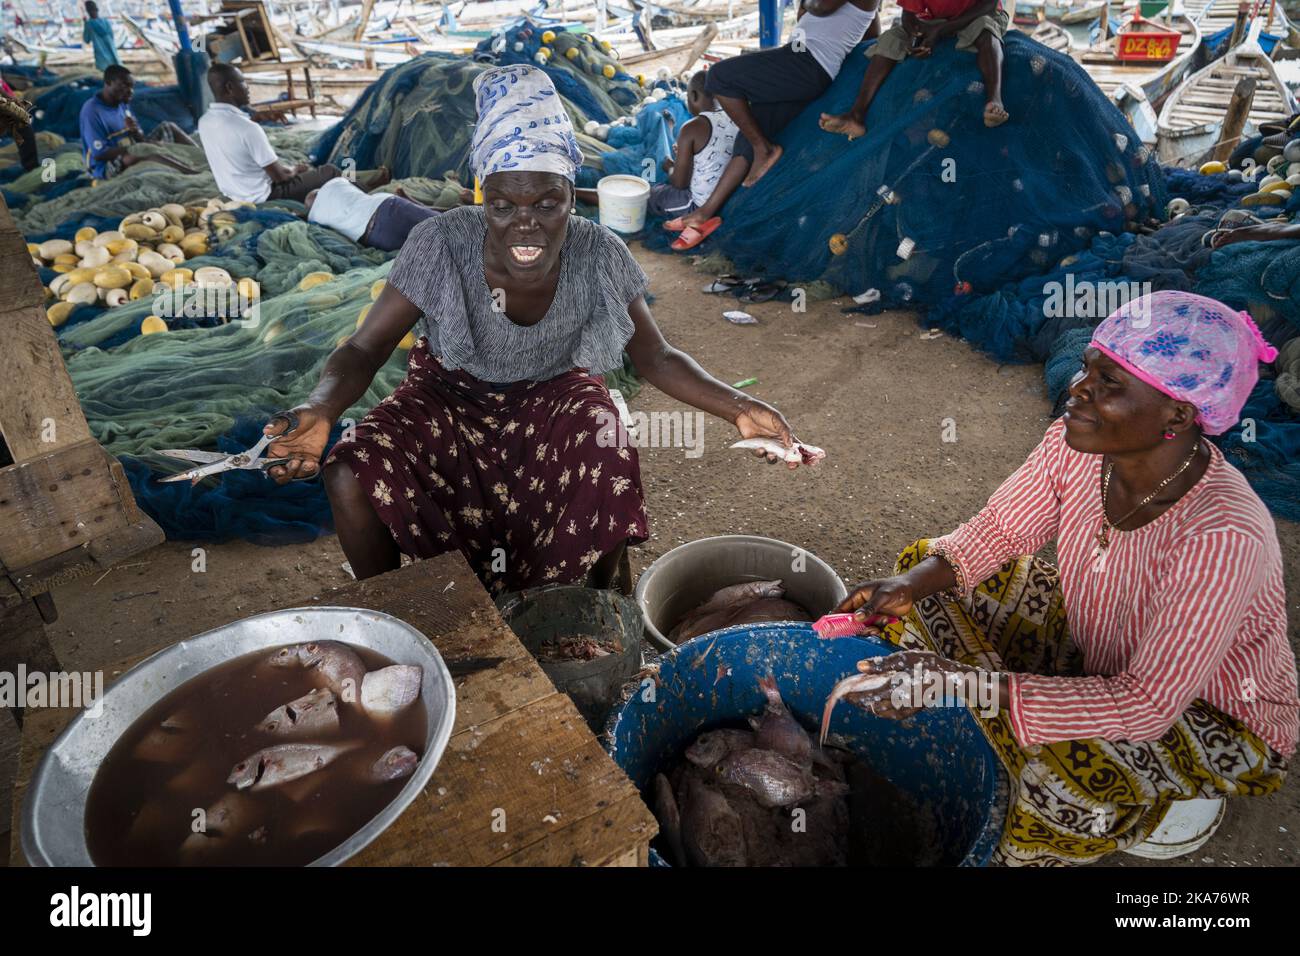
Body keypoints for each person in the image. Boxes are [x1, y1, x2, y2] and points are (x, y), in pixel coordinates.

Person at [261, 65, 810, 594]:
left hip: (555, 396)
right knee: (349, 473)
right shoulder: (441, 244)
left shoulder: (597, 252)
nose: (525, 224)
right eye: (503, 205)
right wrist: (323, 407)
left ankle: (592, 608)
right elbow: (363, 347)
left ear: (575, 198)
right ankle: (403, 615)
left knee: (607, 448)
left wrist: (740, 408)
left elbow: (657, 358)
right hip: (447, 395)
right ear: (482, 198)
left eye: (547, 203)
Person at [827, 291, 1297, 865]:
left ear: (1178, 414)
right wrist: (907, 587)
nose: (1078, 389)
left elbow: (1147, 703)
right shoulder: (1075, 448)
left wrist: (957, 683)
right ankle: (1015, 713)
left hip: (1205, 710)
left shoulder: (1223, 535)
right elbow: (998, 530)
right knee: (923, 578)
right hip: (1095, 640)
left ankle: (1164, 797)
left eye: (1110, 382)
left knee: (1054, 791)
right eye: (1088, 369)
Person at [693, 0, 880, 209]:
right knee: (750, 132)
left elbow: (819, 7)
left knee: (720, 77)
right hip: (799, 60)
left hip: (809, 64)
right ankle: (706, 212)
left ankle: (763, 149)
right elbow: (868, 32)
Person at [576, 71, 739, 249]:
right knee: (654, 187)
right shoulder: (736, 119)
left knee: (639, 197)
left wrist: (669, 165)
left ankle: (575, 192)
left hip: (693, 204)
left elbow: (679, 183)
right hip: (729, 198)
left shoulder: (692, 128)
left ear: (692, 95)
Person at [199, 63, 389, 204]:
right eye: (243, 82)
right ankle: (375, 200)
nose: (247, 87)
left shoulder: (205, 121)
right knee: (328, 172)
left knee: (325, 174)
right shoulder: (247, 129)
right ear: (230, 88)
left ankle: (372, 179)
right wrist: (295, 170)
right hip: (265, 196)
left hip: (234, 193)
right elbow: (280, 177)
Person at [820, 0, 1009, 139]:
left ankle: (995, 101)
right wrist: (915, 36)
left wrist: (941, 31)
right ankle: (856, 115)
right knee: (891, 39)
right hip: (935, 22)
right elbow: (908, 15)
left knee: (987, 32)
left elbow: (989, 5)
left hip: (978, 17)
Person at [78, 65, 198, 181]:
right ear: (108, 83)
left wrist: (136, 132)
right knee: (144, 153)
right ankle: (193, 173)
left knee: (168, 127)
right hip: (104, 166)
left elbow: (140, 137)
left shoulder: (122, 104)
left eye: (131, 87)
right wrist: (137, 148)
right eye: (124, 85)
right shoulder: (92, 111)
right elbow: (99, 154)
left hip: (129, 148)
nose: (130, 91)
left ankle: (201, 156)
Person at [304, 177, 471, 251]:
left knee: (439, 246)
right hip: (389, 209)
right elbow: (357, 186)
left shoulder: (316, 219)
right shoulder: (335, 184)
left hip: (377, 238)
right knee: (452, 230)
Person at [82, 2, 121, 72]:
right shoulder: (106, 22)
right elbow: (112, 37)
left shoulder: (89, 24)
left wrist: (85, 24)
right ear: (97, 9)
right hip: (112, 53)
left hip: (102, 58)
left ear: (88, 12)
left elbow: (86, 39)